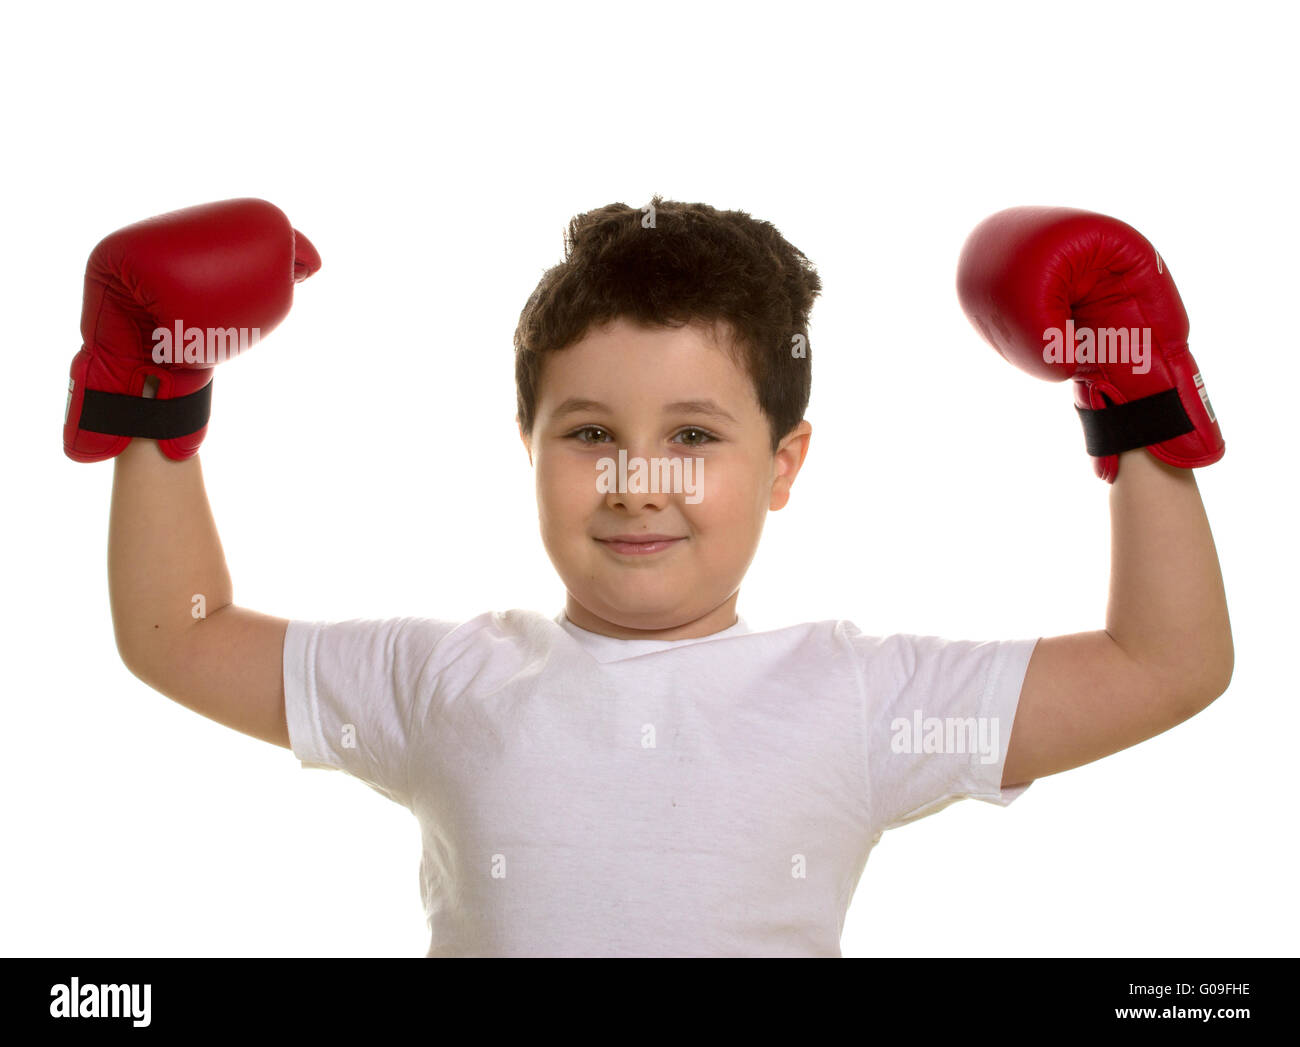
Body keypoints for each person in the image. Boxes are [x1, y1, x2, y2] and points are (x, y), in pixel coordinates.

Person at [69, 195, 1233, 957]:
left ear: (785, 467)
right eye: (586, 435)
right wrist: (154, 404)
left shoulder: (859, 700)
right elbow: (182, 634)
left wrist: (1132, 400)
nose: (634, 480)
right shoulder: (440, 678)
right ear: (526, 449)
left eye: (691, 437)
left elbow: (1165, 665)